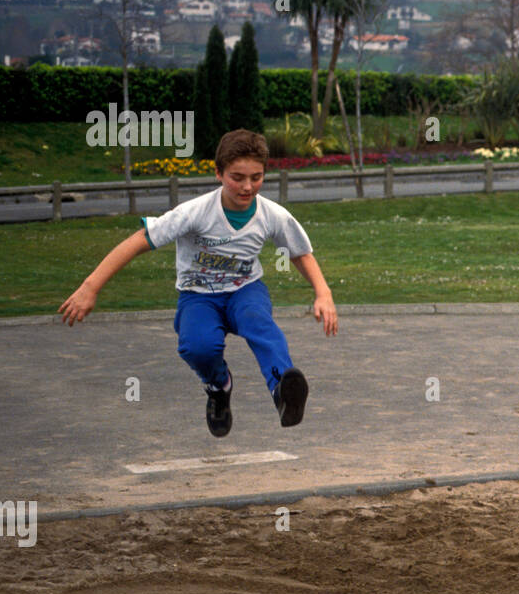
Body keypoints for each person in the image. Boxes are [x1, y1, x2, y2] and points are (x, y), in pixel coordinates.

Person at [59, 129, 338, 436]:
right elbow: (140, 240)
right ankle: (219, 387)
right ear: (218, 173)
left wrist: (322, 292)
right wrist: (90, 287)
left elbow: (300, 253)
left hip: (246, 290)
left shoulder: (273, 215)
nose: (247, 187)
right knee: (198, 348)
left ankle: (282, 391)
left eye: (256, 177)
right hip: (198, 296)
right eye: (237, 177)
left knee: (260, 325)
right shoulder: (195, 212)